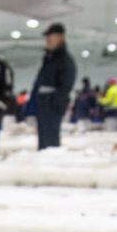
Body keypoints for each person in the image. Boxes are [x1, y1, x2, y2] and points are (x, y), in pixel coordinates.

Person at [31, 22, 76, 150]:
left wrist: (54, 103)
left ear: (61, 38)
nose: (48, 40)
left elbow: (66, 85)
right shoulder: (49, 58)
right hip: (44, 105)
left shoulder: (64, 60)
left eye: (51, 36)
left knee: (50, 141)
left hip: (51, 105)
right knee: (44, 140)